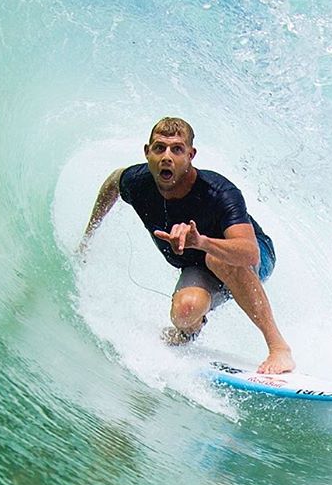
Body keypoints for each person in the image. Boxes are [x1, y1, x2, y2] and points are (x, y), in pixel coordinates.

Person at [79, 117, 295, 374]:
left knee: (217, 258)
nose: (166, 157)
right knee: (184, 311)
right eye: (159, 148)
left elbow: (249, 253)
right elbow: (114, 181)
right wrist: (89, 235)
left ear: (191, 155)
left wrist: (202, 242)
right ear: (147, 152)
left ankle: (279, 348)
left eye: (177, 149)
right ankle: (188, 332)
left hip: (250, 255)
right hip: (199, 265)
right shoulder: (137, 182)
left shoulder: (218, 192)